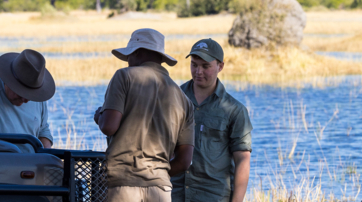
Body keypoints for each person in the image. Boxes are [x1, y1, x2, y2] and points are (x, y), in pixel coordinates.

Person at [93, 28, 196, 202]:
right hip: (161, 190)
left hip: (122, 185)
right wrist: (157, 173)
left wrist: (99, 116)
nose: (128, 61)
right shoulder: (183, 98)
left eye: (129, 56)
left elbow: (109, 127)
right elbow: (185, 161)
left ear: (138, 52)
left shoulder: (124, 77)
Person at [170, 39, 253, 202]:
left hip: (212, 196)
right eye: (194, 64)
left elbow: (242, 160)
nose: (198, 71)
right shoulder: (172, 98)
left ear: (220, 66)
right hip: (173, 194)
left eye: (205, 66)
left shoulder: (235, 111)